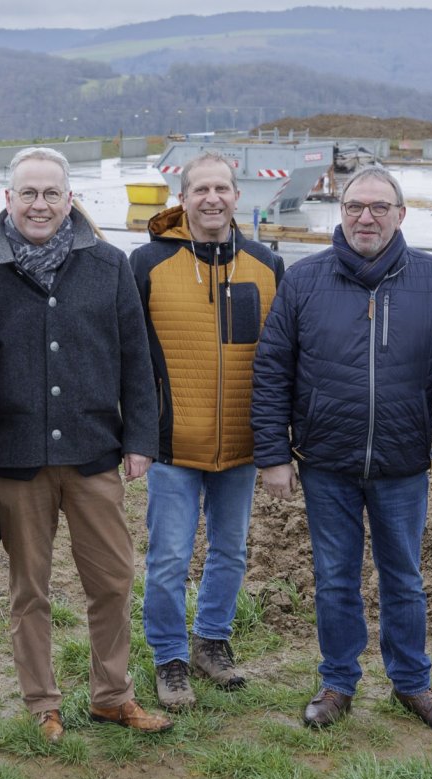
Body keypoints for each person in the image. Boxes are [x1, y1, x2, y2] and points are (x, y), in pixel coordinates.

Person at [251, 165, 432, 734]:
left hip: (402, 463)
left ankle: (412, 683)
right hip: (327, 461)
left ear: (401, 214)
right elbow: (273, 369)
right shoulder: (304, 280)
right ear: (341, 212)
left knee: (404, 577)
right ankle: (337, 681)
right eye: (354, 207)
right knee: (334, 577)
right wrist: (274, 454)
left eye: (379, 207)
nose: (365, 217)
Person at [0, 147, 172, 740]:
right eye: (28, 193)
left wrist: (141, 439)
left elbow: (138, 360)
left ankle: (112, 695)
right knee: (29, 589)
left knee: (111, 579)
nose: (40, 204)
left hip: (94, 452)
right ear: (8, 199)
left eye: (51, 193)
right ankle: (43, 704)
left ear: (69, 198)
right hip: (16, 459)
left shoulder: (109, 265)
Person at [130, 151, 286, 709]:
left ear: (238, 197)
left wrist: (277, 442)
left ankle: (211, 643)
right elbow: (131, 357)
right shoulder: (146, 264)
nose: (212, 198)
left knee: (230, 552)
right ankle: (169, 657)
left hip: (242, 446)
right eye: (201, 190)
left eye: (222, 188)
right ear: (183, 197)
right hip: (173, 444)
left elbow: (279, 358)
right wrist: (138, 437)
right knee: (169, 556)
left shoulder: (267, 266)